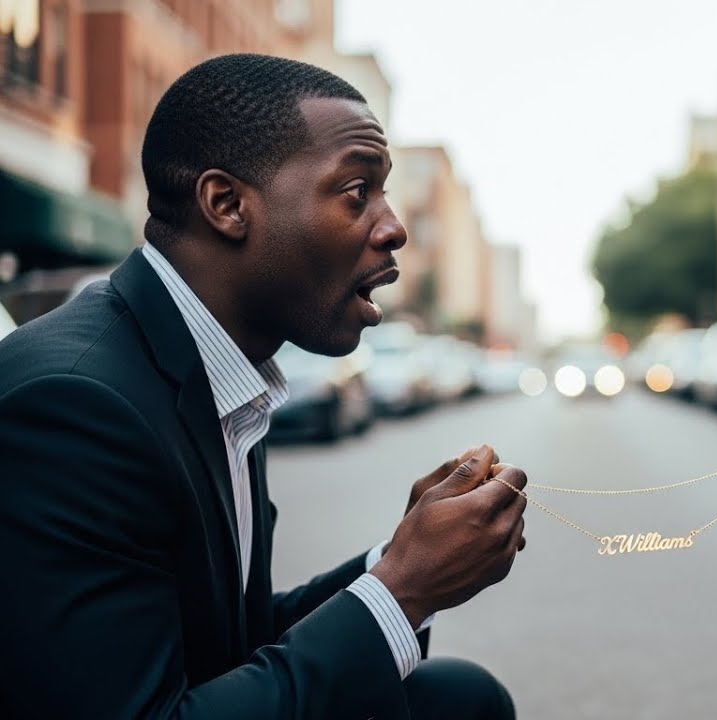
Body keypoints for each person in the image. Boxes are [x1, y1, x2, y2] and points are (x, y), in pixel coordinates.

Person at [0, 54, 527, 719]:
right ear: (227, 205)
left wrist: (403, 558)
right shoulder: (76, 407)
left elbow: (229, 644)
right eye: (357, 191)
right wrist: (404, 591)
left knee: (458, 698)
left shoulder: (215, 371)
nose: (393, 227)